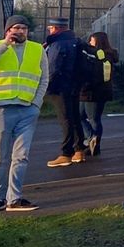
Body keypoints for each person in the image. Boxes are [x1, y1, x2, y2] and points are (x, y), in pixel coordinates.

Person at [0, 15, 49, 213]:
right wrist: (4, 46)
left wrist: (36, 104)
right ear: (7, 31)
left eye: (24, 28)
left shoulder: (37, 49)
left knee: (21, 156)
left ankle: (14, 199)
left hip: (27, 110)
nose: (20, 31)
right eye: (15, 28)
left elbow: (44, 78)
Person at [44, 17, 85, 167]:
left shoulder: (58, 44)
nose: (49, 31)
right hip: (74, 85)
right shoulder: (76, 42)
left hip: (60, 86)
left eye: (50, 28)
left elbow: (53, 68)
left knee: (65, 118)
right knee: (74, 116)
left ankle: (66, 153)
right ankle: (79, 150)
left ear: (56, 29)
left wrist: (46, 86)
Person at [79, 31, 119, 156]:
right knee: (85, 116)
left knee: (91, 118)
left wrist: (85, 86)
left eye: (92, 40)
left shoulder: (100, 55)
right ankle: (92, 140)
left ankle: (93, 139)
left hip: (92, 92)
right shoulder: (107, 55)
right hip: (97, 92)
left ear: (98, 41)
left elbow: (95, 74)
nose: (90, 42)